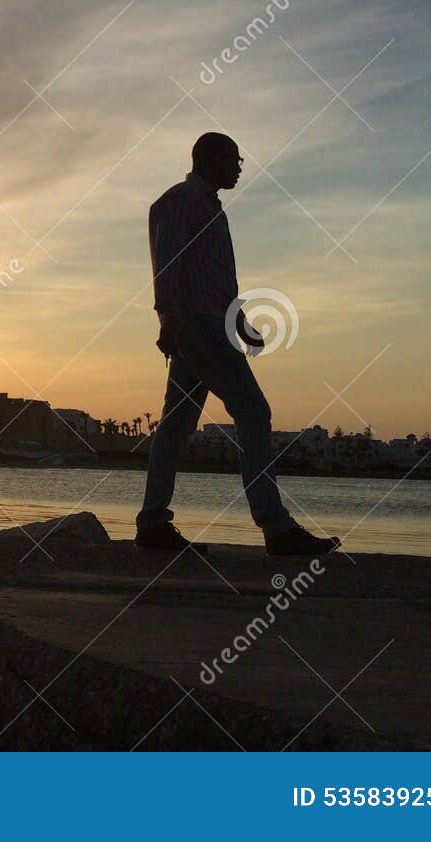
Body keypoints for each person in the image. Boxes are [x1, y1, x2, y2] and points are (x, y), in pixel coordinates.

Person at [136, 132, 341, 558]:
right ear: (212, 159)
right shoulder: (181, 201)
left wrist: (240, 321)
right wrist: (168, 317)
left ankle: (153, 523)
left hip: (209, 324)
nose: (240, 168)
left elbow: (215, 277)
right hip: (198, 327)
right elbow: (168, 261)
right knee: (252, 410)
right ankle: (276, 527)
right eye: (235, 160)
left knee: (176, 425)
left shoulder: (211, 207)